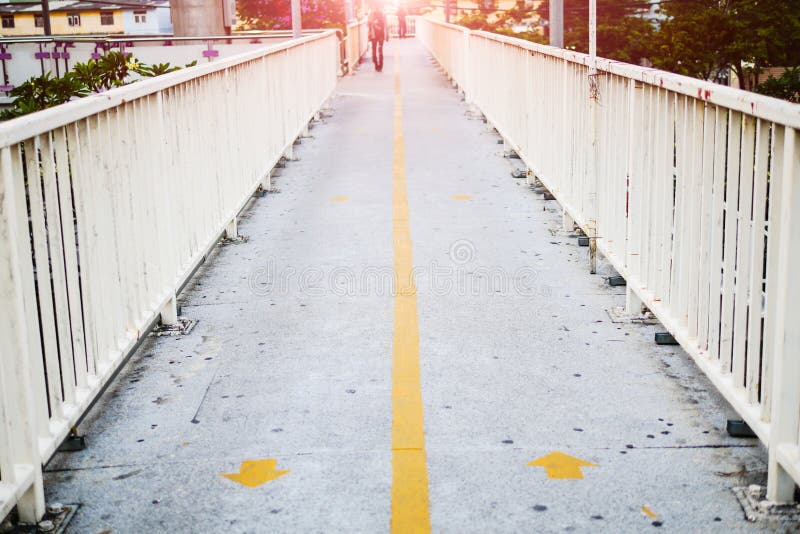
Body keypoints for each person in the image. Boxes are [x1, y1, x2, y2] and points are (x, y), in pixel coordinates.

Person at [368, 5, 388, 72]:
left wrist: (369, 33)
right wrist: (387, 34)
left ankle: (376, 64)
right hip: (380, 35)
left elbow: (368, 24)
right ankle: (380, 65)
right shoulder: (383, 14)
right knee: (380, 49)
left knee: (374, 49)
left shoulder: (371, 14)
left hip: (374, 35)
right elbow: (386, 25)